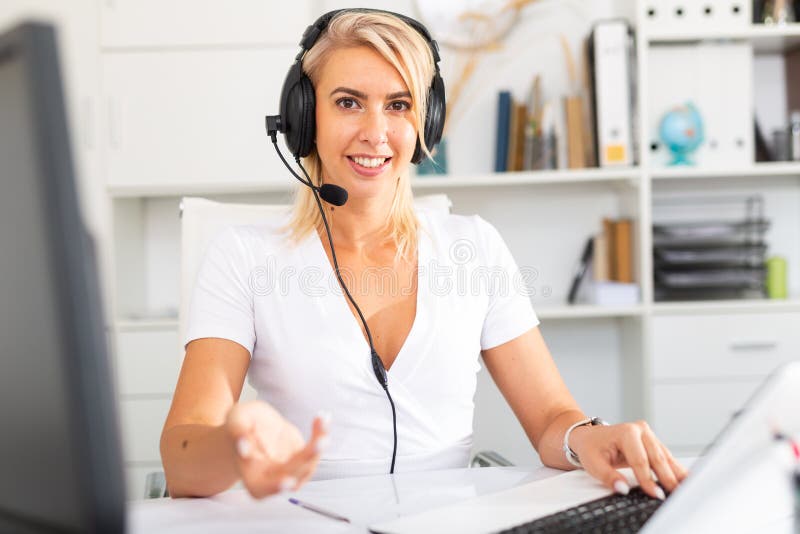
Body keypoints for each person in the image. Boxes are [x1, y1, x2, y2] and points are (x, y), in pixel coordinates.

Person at [160, 9, 687, 501]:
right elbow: (182, 461)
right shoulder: (244, 257)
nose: (375, 132)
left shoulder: (472, 247)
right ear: (304, 117)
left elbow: (551, 419)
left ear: (426, 122)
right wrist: (234, 442)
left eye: (399, 104)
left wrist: (587, 439)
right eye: (348, 102)